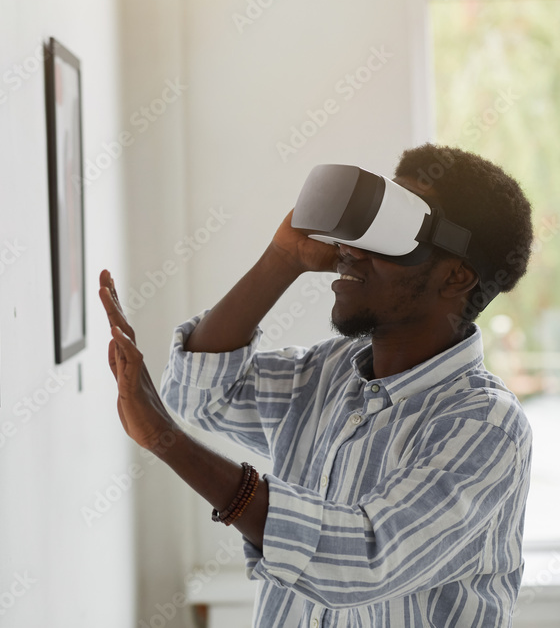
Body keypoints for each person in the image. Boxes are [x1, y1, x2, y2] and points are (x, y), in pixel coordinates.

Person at [98, 143, 535, 627]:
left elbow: (359, 560)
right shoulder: (328, 374)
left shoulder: (485, 425)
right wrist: (283, 258)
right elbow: (201, 393)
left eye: (392, 232)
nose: (349, 248)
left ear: (456, 276)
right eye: (366, 225)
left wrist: (168, 442)